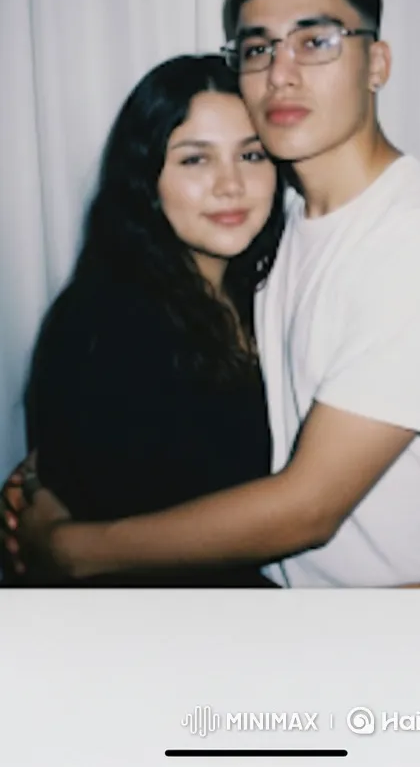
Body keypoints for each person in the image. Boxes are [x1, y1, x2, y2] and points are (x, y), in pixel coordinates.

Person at [3, 0, 420, 588]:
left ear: (376, 62)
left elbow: (310, 507)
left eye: (315, 41)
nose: (282, 73)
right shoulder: (284, 230)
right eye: (259, 48)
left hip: (391, 631)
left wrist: (73, 549)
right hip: (271, 628)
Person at [1, 54, 284, 586]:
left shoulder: (274, 289)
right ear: (145, 180)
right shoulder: (105, 328)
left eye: (251, 154)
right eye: (195, 160)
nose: (230, 184)